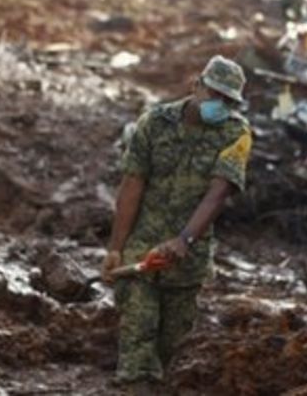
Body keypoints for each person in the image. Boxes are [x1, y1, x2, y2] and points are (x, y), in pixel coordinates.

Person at [102, 56, 252, 392]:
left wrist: (184, 240)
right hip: (141, 251)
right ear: (196, 85)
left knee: (170, 347)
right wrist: (115, 248)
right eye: (214, 94)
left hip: (186, 260)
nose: (219, 104)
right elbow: (132, 185)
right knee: (138, 347)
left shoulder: (236, 133)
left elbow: (218, 193)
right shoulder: (154, 123)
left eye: (228, 100)